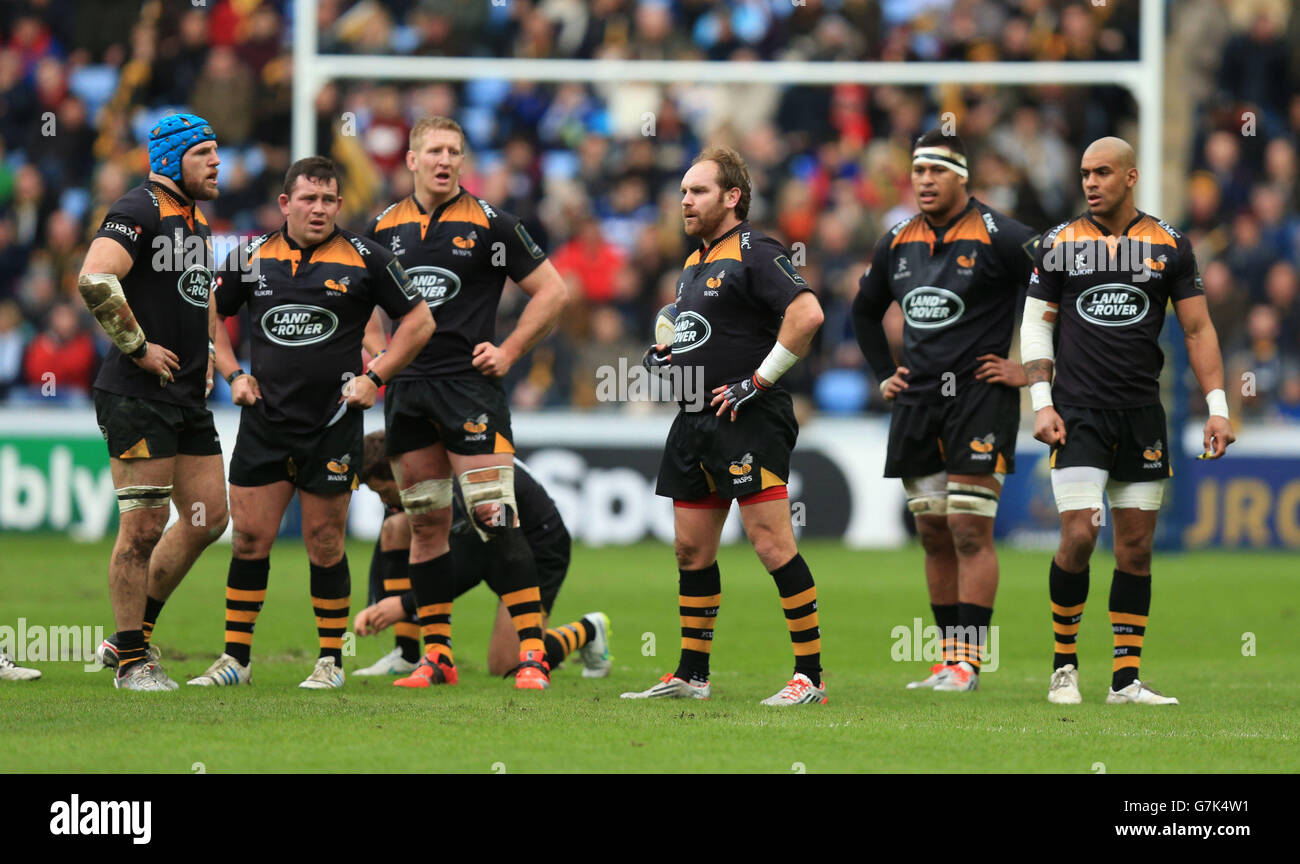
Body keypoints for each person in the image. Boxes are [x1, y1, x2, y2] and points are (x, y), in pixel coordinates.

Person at [188, 156, 433, 689]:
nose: (319, 208)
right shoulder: (250, 256)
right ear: (285, 203)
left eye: (328, 200)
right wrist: (232, 374)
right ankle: (236, 660)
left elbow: (420, 321)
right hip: (265, 421)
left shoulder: (369, 257)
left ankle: (329, 661)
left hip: (332, 424)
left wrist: (378, 375)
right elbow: (210, 313)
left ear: (339, 205)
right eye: (308, 199)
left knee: (325, 541)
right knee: (250, 538)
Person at [1021, 136, 1234, 705]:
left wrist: (1218, 409)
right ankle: (1064, 666)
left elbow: (1198, 330)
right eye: (1085, 173)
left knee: (1136, 548)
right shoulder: (1058, 245)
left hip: (1142, 415)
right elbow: (1037, 325)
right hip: (1078, 413)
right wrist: (1041, 400)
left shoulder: (1170, 246)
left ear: (1131, 177)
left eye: (1103, 173)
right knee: (1080, 534)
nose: (1090, 182)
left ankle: (1124, 680)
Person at [365, 117, 568, 690]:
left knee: (493, 516)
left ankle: (532, 656)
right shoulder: (381, 227)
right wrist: (379, 357)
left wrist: (509, 351)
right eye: (433, 150)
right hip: (408, 394)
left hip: (467, 390)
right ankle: (438, 657)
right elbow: (359, 304)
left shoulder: (492, 224)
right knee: (425, 525)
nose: (444, 160)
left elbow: (553, 291)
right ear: (410, 160)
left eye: (454, 151)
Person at [620, 146, 827, 706]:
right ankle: (692, 675)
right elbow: (695, 337)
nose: (685, 200)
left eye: (699, 190)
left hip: (748, 417)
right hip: (694, 420)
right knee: (690, 551)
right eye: (683, 191)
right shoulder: (692, 264)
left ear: (732, 197)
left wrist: (757, 381)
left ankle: (810, 677)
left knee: (769, 543)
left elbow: (807, 314)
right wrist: (665, 359)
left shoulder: (757, 249)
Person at [852, 129, 1038, 692]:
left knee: (968, 528)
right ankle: (946, 658)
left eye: (937, 171)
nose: (925, 181)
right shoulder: (896, 241)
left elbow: (1065, 286)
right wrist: (885, 373)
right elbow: (862, 312)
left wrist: (1030, 370)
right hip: (917, 399)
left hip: (980, 396)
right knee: (932, 530)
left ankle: (969, 663)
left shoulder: (1003, 235)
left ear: (962, 177)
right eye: (918, 172)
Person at [79, 113, 229, 691]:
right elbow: (95, 279)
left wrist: (211, 347)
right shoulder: (138, 209)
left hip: (187, 397)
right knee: (143, 528)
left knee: (207, 517)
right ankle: (134, 663)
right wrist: (139, 348)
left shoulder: (197, 223)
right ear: (170, 159)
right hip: (137, 394)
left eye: (218, 152)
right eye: (205, 153)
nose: (218, 162)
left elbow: (201, 293)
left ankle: (127, 635)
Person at [350, 431, 611, 679]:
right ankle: (406, 655)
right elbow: (388, 547)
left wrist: (404, 605)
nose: (384, 501)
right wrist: (378, 602)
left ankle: (588, 631)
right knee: (396, 526)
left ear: (400, 473)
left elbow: (466, 567)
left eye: (383, 492)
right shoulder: (420, 476)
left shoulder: (457, 483)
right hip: (486, 545)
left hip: (539, 549)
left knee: (507, 665)